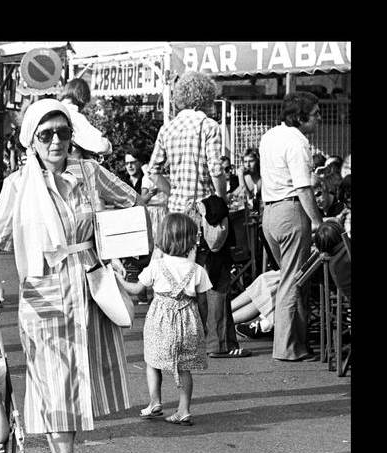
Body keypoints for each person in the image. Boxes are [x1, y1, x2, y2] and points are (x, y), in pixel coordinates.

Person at [0, 98, 134, 453]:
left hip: (87, 285)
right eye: (45, 134)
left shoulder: (88, 172)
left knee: (75, 385)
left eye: (62, 133)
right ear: (31, 139)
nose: (55, 141)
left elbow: (132, 201)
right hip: (43, 291)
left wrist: (115, 247)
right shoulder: (17, 185)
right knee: (53, 386)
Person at [148, 71, 250, 360]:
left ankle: (182, 339)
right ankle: (217, 342)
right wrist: (221, 198)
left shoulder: (167, 128)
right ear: (206, 96)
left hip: (177, 213)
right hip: (206, 213)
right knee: (216, 275)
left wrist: (173, 191)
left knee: (180, 276)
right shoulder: (210, 126)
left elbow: (153, 170)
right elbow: (216, 168)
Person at [116, 213, 211, 426]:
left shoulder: (156, 266)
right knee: (184, 366)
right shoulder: (198, 270)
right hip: (188, 322)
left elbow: (136, 289)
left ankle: (155, 402)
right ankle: (184, 409)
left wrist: (118, 279)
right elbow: (204, 303)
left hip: (159, 322)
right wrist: (203, 325)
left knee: (152, 361)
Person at [258, 90, 326, 361]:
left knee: (291, 279)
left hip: (270, 213)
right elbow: (303, 189)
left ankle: (297, 342)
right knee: (293, 281)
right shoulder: (298, 143)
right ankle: (287, 347)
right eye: (316, 115)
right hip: (291, 211)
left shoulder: (270, 136)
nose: (320, 119)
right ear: (300, 117)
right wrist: (318, 222)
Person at [59, 78, 112, 156]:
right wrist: (108, 146)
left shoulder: (54, 109)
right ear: (83, 98)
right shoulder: (75, 116)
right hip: (70, 164)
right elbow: (101, 146)